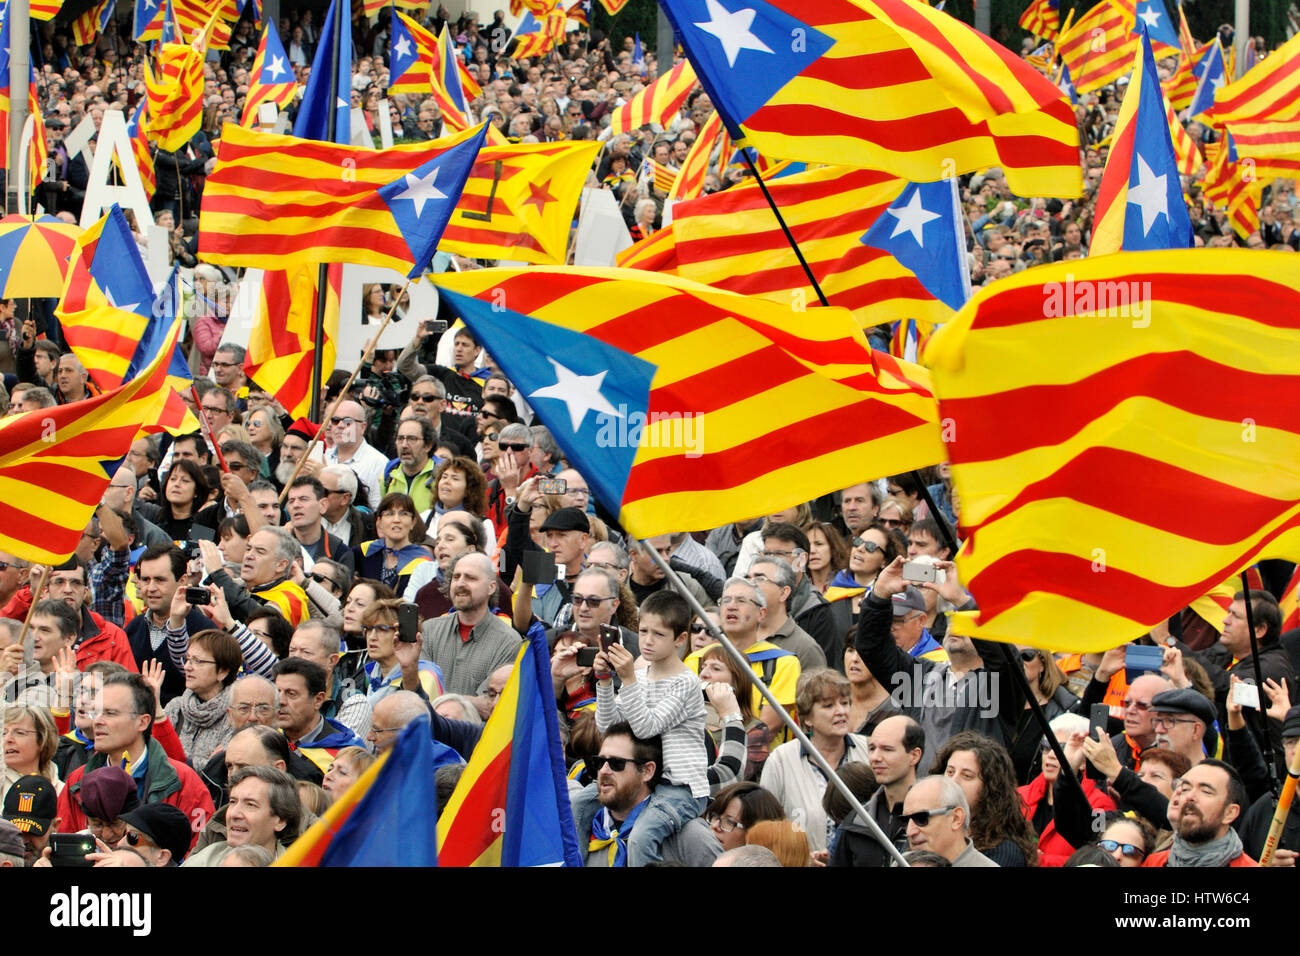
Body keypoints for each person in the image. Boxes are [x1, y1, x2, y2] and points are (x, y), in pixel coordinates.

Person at [856, 556, 1022, 771]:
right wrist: (879, 595)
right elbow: (872, 647)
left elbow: (1004, 660)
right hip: (918, 795)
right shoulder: (918, 676)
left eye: (964, 622)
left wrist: (962, 602)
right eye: (952, 620)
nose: (955, 627)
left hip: (970, 798)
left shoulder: (1000, 685)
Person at [591, 590, 708, 866]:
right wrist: (606, 682)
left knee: (641, 838)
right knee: (576, 806)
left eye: (658, 634)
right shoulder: (640, 676)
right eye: (643, 631)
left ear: (681, 639)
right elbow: (608, 727)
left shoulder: (685, 682)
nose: (647, 641)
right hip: (641, 778)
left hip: (680, 788)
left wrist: (628, 678)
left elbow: (646, 728)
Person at [56, 674, 214, 850]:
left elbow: (200, 854)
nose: (98, 721)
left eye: (110, 713)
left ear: (143, 721)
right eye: (96, 712)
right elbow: (64, 847)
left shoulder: (183, 782)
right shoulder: (77, 780)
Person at [572, 722, 719, 867]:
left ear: (647, 771)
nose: (604, 770)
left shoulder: (689, 837)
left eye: (616, 763)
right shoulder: (584, 828)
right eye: (599, 761)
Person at [760, 668, 870, 853]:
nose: (841, 711)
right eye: (828, 706)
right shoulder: (780, 760)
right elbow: (764, 829)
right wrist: (801, 859)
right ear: (807, 718)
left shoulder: (870, 749)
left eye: (844, 703)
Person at [685, 578, 801, 743]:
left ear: (761, 613)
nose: (731, 606)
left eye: (741, 601)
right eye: (726, 600)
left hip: (758, 761)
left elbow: (768, 728)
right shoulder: (696, 660)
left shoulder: (783, 663)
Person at [419, 552, 521, 701]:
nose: (460, 583)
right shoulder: (429, 630)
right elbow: (419, 693)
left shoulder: (509, 642)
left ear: (491, 587)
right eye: (456, 577)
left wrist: (435, 698)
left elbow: (488, 704)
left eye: (470, 578)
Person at [1017, 714, 1116, 866]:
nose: (1050, 755)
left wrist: (1039, 861)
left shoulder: (1100, 806)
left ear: (1083, 761)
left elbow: (1098, 859)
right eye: (1046, 747)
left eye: (1060, 748)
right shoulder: (1018, 795)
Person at [932, 731, 1039, 867]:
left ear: (990, 787)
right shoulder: (928, 829)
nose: (953, 781)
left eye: (967, 776)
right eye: (950, 772)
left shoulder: (1004, 852)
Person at [1143, 760, 1257, 867]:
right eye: (1186, 789)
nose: (1190, 797)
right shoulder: (1153, 863)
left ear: (1230, 813)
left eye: (1206, 792)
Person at [182, 766, 302, 866]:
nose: (234, 814)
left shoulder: (297, 862)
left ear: (280, 820)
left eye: (250, 805)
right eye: (232, 802)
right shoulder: (204, 860)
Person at [164, 628, 243, 766]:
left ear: (222, 672)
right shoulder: (176, 707)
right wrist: (205, 764)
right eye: (187, 659)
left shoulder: (236, 715)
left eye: (198, 661)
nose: (187, 667)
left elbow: (222, 770)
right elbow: (154, 759)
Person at [902, 775, 998, 866]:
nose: (910, 832)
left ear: (956, 819)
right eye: (905, 821)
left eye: (921, 818)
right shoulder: (900, 863)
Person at [354, 492, 434, 597]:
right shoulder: (363, 552)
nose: (396, 520)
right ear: (379, 522)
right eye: (390, 514)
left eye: (403, 514)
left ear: (413, 522)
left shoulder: (422, 562)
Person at [2, 705, 61, 807]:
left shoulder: (61, 790)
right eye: (3, 733)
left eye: (19, 733)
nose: (8, 739)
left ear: (42, 738)